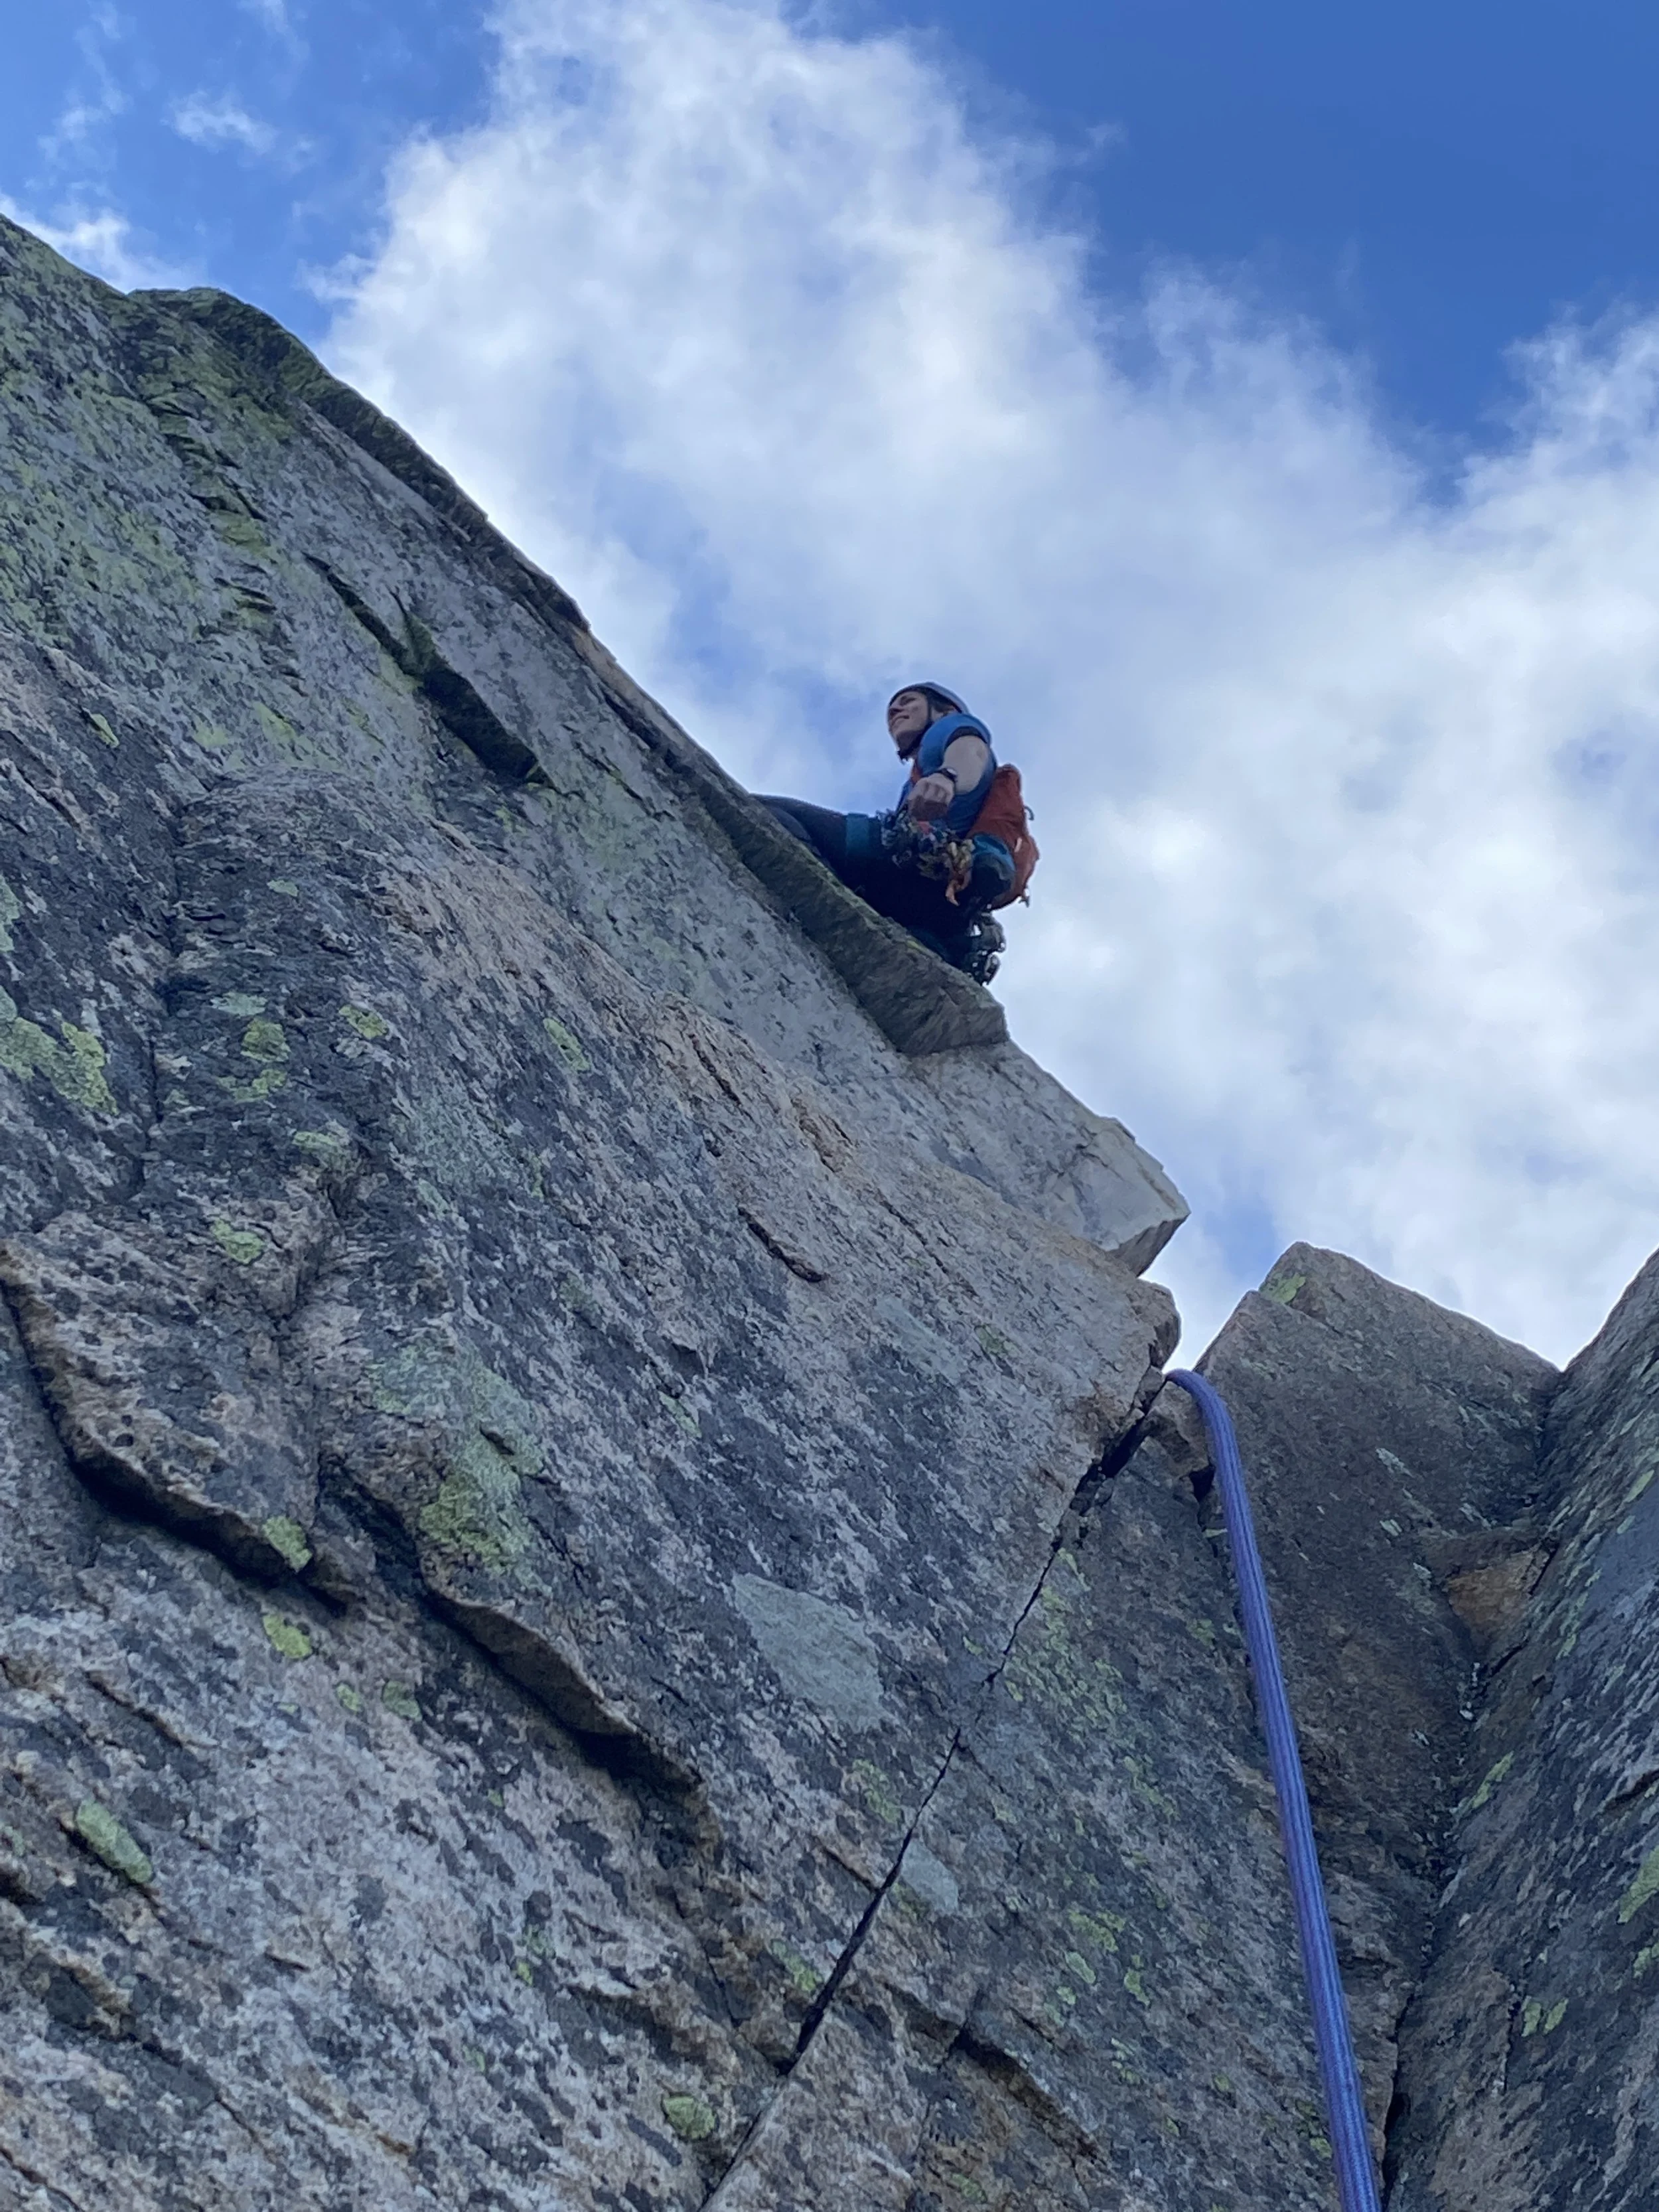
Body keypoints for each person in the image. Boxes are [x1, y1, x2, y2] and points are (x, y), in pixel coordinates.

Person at [758, 684, 1018, 980]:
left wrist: (948, 777)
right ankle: (931, 947)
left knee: (770, 813)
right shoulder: (919, 776)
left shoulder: (951, 728)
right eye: (893, 709)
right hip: (944, 907)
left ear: (945, 709)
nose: (895, 711)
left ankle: (825, 898)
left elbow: (972, 750)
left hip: (911, 861)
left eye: (909, 702)